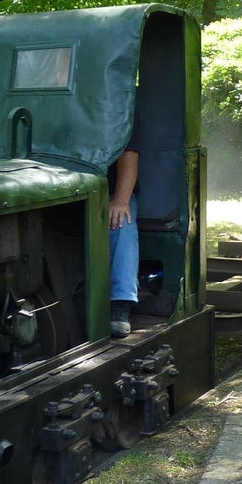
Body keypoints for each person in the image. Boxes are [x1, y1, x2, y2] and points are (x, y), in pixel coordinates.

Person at [108, 127, 140, 338]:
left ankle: (121, 303)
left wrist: (120, 200)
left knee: (121, 220)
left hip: (109, 192)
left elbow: (129, 154)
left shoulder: (118, 104)